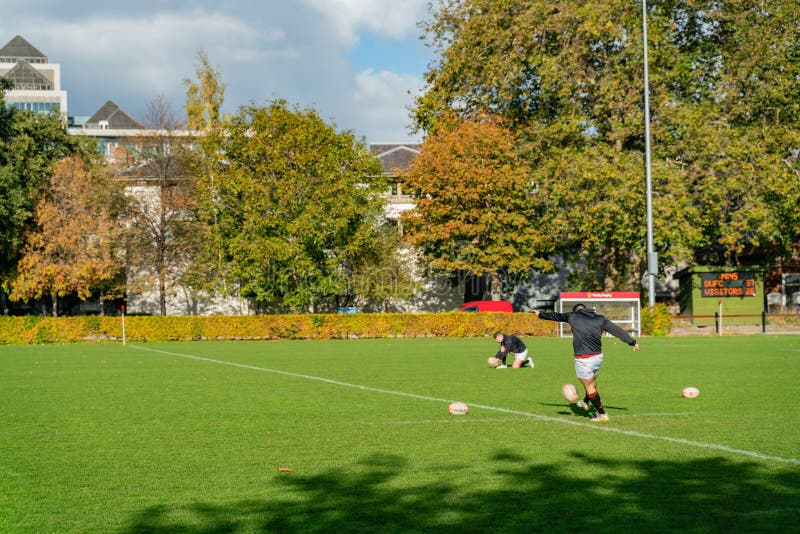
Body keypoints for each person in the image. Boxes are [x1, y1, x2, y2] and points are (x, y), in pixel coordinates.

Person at [532, 304, 639, 422]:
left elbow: (556, 316)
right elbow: (616, 330)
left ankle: (602, 414)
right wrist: (632, 342)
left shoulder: (573, 316)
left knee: (589, 387)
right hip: (598, 357)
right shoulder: (600, 318)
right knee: (592, 383)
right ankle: (585, 402)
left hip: (583, 359)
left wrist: (540, 314)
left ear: (575, 311)